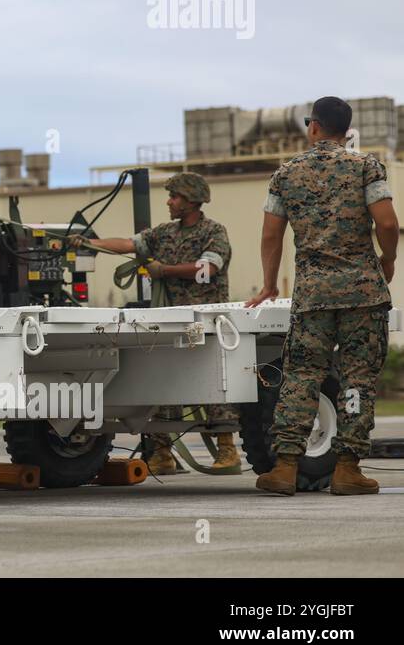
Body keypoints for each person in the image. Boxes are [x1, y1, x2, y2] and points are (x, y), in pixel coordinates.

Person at [247, 96, 397, 496]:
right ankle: (348, 469)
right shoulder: (366, 166)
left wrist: (268, 284)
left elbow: (270, 235)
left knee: (300, 377)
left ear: (313, 126)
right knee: (357, 380)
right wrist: (389, 260)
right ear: (346, 130)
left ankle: (285, 467)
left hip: (313, 295)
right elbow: (387, 221)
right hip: (362, 295)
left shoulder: (286, 174)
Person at [70, 172, 237, 475]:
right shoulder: (164, 233)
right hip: (170, 321)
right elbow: (128, 244)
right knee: (163, 382)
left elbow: (209, 269)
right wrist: (90, 243)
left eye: (174, 196)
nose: (169, 201)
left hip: (204, 322)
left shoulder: (213, 231)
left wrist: (166, 271)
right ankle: (162, 453)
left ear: (190, 201)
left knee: (211, 383)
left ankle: (227, 449)